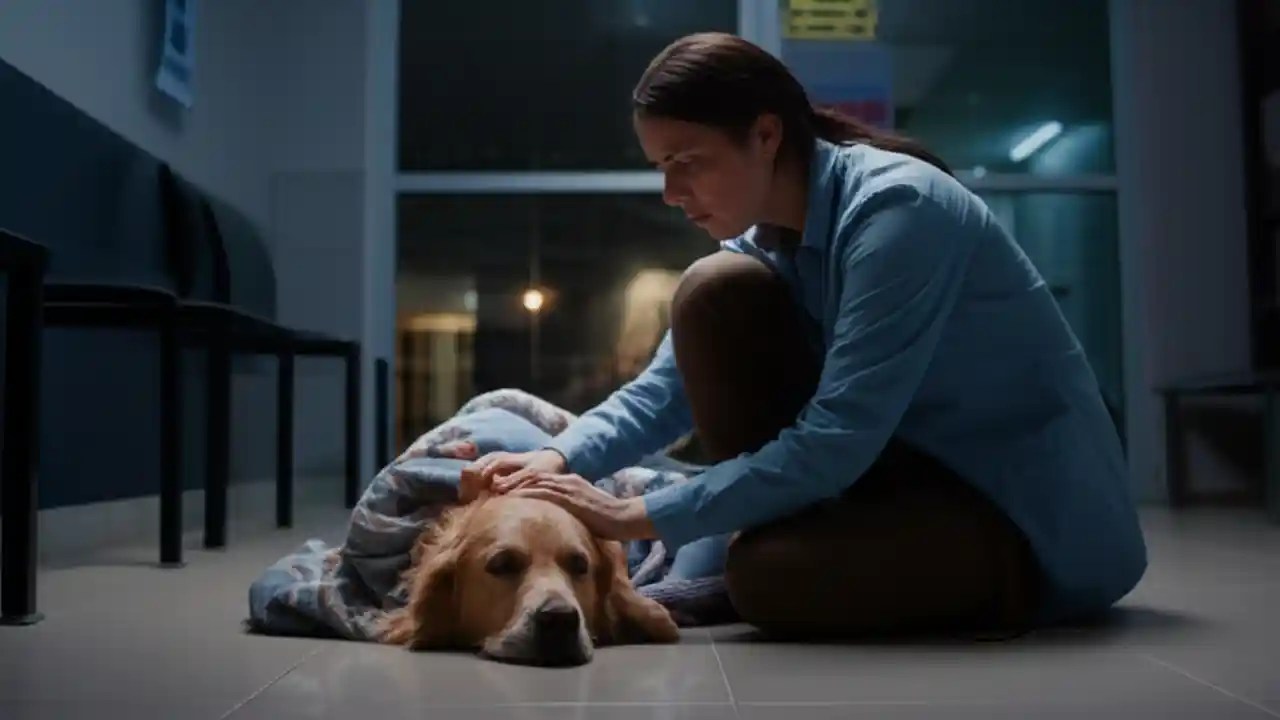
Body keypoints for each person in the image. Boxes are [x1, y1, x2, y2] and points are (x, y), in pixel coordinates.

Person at [460, 31, 1147, 639]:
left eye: (687, 159)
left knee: (768, 580)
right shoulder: (766, 239)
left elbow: (837, 440)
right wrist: (556, 460)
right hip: (901, 479)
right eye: (658, 165)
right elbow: (665, 391)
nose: (670, 190)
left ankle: (785, 549)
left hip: (1018, 519)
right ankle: (770, 537)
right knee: (712, 288)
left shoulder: (899, 210)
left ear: (765, 136)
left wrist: (636, 514)